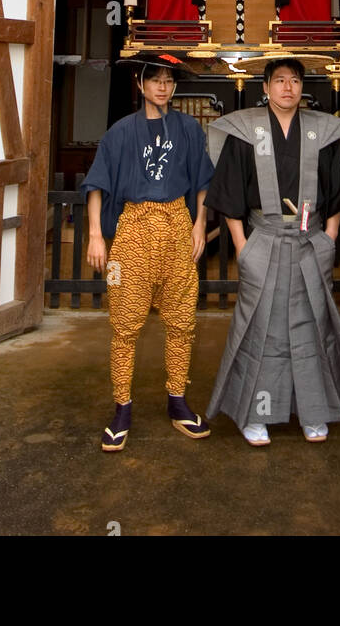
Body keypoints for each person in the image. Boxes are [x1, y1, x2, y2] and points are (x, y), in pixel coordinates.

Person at [205, 57, 340, 445]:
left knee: (312, 326)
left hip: (311, 241)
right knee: (262, 327)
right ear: (266, 88)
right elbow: (229, 196)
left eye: (294, 81)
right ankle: (255, 413)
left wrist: (328, 238)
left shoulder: (321, 132)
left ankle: (314, 412)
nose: (288, 88)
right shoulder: (246, 130)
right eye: (279, 81)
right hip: (264, 238)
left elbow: (337, 193)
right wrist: (243, 248)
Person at [82, 52, 214, 452]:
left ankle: (178, 401)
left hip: (177, 228)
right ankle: (122, 408)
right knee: (124, 326)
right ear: (140, 85)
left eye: (168, 81)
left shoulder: (189, 129)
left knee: (181, 322)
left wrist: (199, 225)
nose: (162, 86)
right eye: (154, 79)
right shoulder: (120, 132)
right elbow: (97, 186)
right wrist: (94, 235)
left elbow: (203, 181)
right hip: (133, 230)